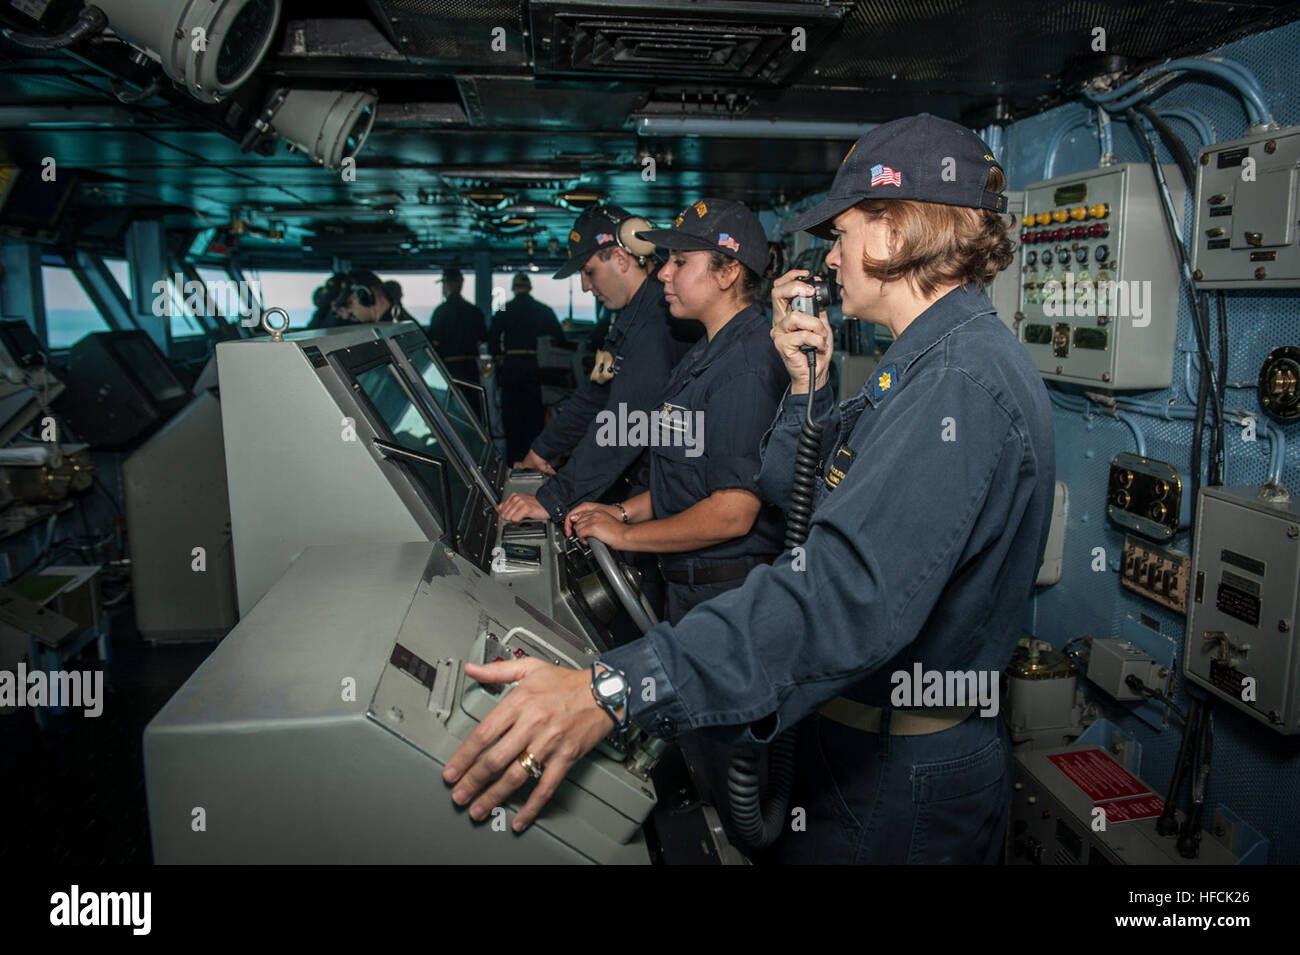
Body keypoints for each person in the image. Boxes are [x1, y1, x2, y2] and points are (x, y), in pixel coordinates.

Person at [440, 114, 1055, 865]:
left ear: (894, 233)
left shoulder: (957, 385)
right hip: (860, 746)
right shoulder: (929, 370)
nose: (832, 256)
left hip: (899, 776)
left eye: (845, 231)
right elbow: (785, 488)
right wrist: (808, 387)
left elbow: (839, 596)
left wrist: (613, 688)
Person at [562, 198, 786, 625]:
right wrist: (622, 511)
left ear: (728, 272)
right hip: (688, 587)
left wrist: (626, 534)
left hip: (725, 600)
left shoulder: (746, 369)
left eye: (680, 262)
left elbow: (731, 513)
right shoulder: (704, 355)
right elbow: (690, 482)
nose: (663, 272)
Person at [497, 205, 677, 536]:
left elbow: (626, 422)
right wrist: (541, 451)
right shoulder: (632, 317)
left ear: (622, 260)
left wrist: (553, 499)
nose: (584, 286)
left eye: (588, 271)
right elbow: (594, 394)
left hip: (663, 489)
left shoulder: (659, 321)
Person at [488, 273, 565, 463]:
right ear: (529, 288)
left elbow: (492, 339)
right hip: (534, 367)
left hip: (511, 368)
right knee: (534, 418)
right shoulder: (543, 310)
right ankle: (534, 460)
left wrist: (499, 354)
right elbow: (559, 340)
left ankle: (514, 462)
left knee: (512, 419)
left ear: (514, 288)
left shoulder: (504, 309)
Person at [428, 268, 488, 385]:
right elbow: (483, 338)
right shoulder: (474, 311)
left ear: (446, 285)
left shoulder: (440, 312)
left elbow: (434, 341)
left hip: (450, 368)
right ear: (461, 284)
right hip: (471, 367)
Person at [332, 269, 416, 324]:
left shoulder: (392, 329)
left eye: (349, 304)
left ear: (365, 296)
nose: (349, 311)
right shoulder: (396, 317)